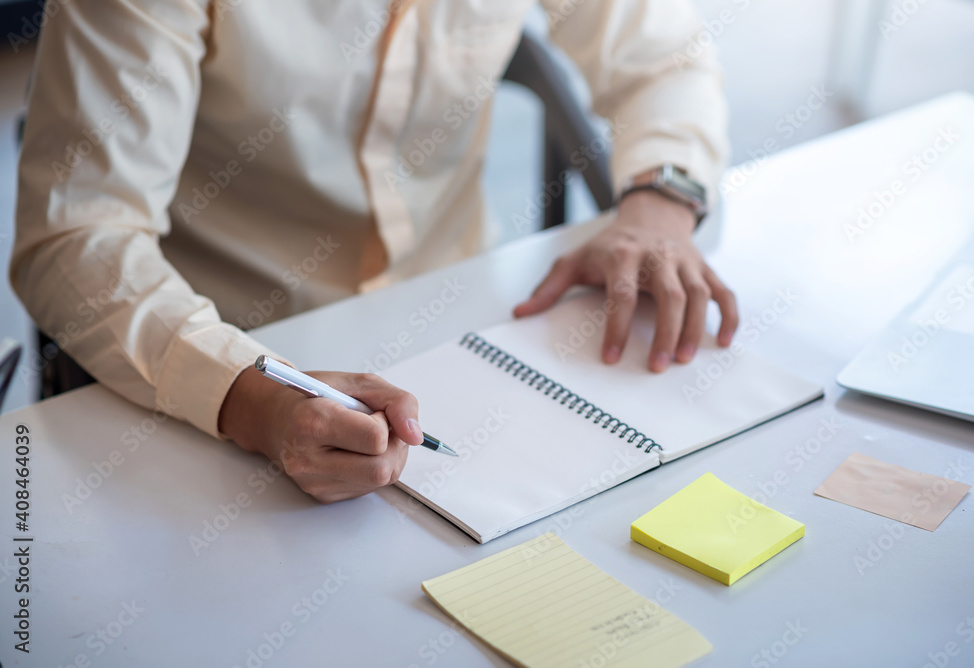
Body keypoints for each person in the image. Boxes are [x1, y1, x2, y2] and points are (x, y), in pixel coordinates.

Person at [11, 0, 736, 503]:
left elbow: (664, 58)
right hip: (220, 358)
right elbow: (76, 236)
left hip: (457, 325)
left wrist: (660, 206)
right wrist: (247, 394)